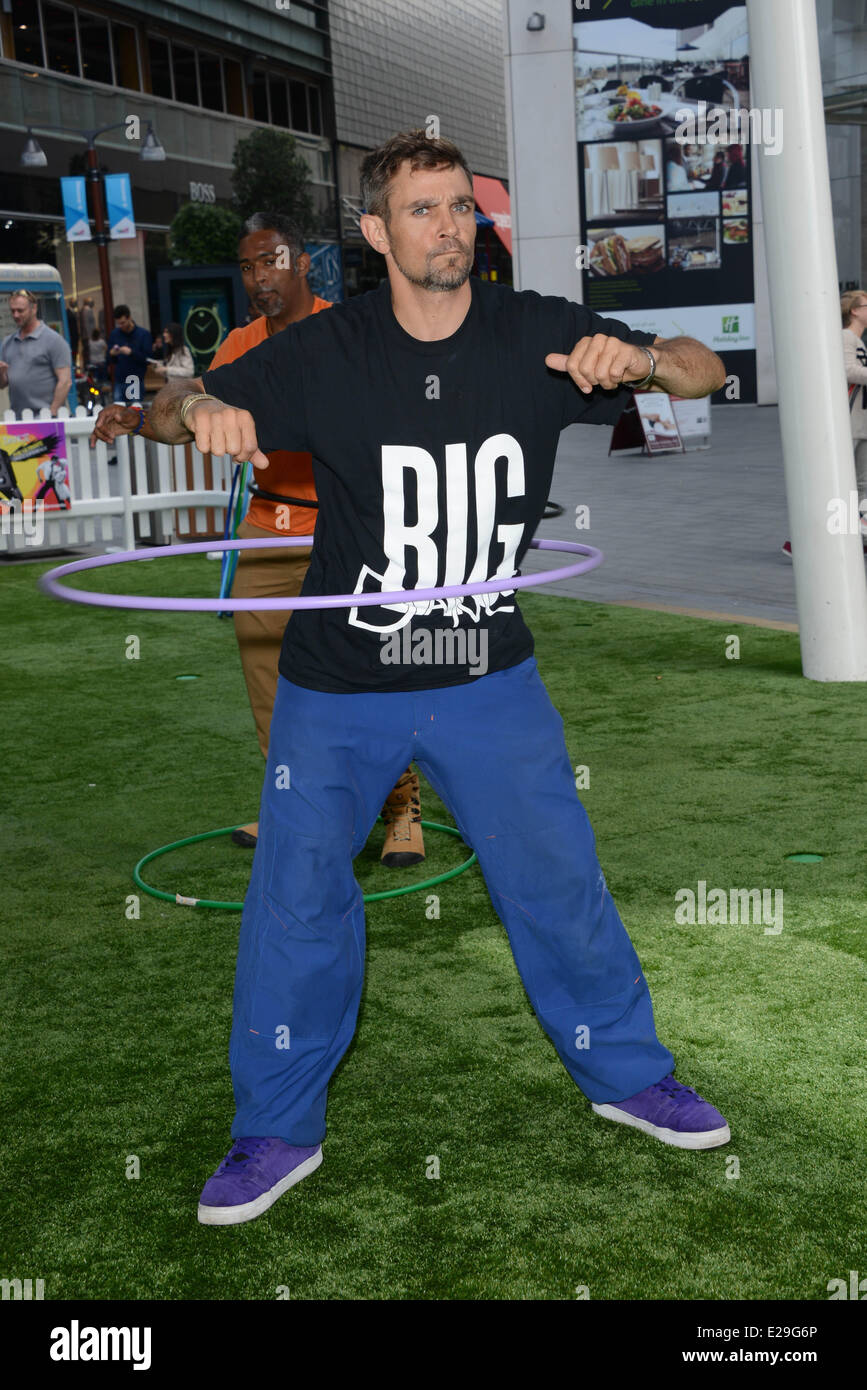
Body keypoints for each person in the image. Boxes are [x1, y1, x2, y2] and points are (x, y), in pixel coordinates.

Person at [95, 129, 730, 1227]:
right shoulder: (323, 352)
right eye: (422, 210)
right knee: (296, 899)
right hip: (341, 678)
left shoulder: (536, 331)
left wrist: (644, 360)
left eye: (459, 208)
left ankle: (628, 1074)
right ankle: (275, 1129)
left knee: (558, 879)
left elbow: (703, 368)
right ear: (378, 233)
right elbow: (166, 405)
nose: (448, 228)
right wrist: (200, 410)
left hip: (486, 668)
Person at [0, 290, 73, 416]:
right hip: (18, 419)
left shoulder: (54, 340)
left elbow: (65, 381)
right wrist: (1, 373)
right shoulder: (8, 342)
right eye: (13, 311)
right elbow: (3, 384)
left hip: (46, 417)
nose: (16, 315)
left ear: (34, 309)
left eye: (20, 310)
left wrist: (52, 413)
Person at [841, 290, 867, 541]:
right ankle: (811, 540)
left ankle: (860, 538)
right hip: (848, 420)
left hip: (860, 420)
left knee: (862, 484)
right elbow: (849, 371)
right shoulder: (846, 337)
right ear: (855, 311)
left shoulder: (857, 340)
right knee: (841, 481)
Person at [107, 304, 152, 405]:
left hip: (135, 379)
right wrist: (112, 353)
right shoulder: (115, 334)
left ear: (129, 318)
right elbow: (109, 358)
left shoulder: (143, 334)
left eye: (123, 323)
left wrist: (131, 352)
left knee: (135, 412)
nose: (121, 326)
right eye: (118, 324)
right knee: (118, 411)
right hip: (120, 379)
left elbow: (148, 359)